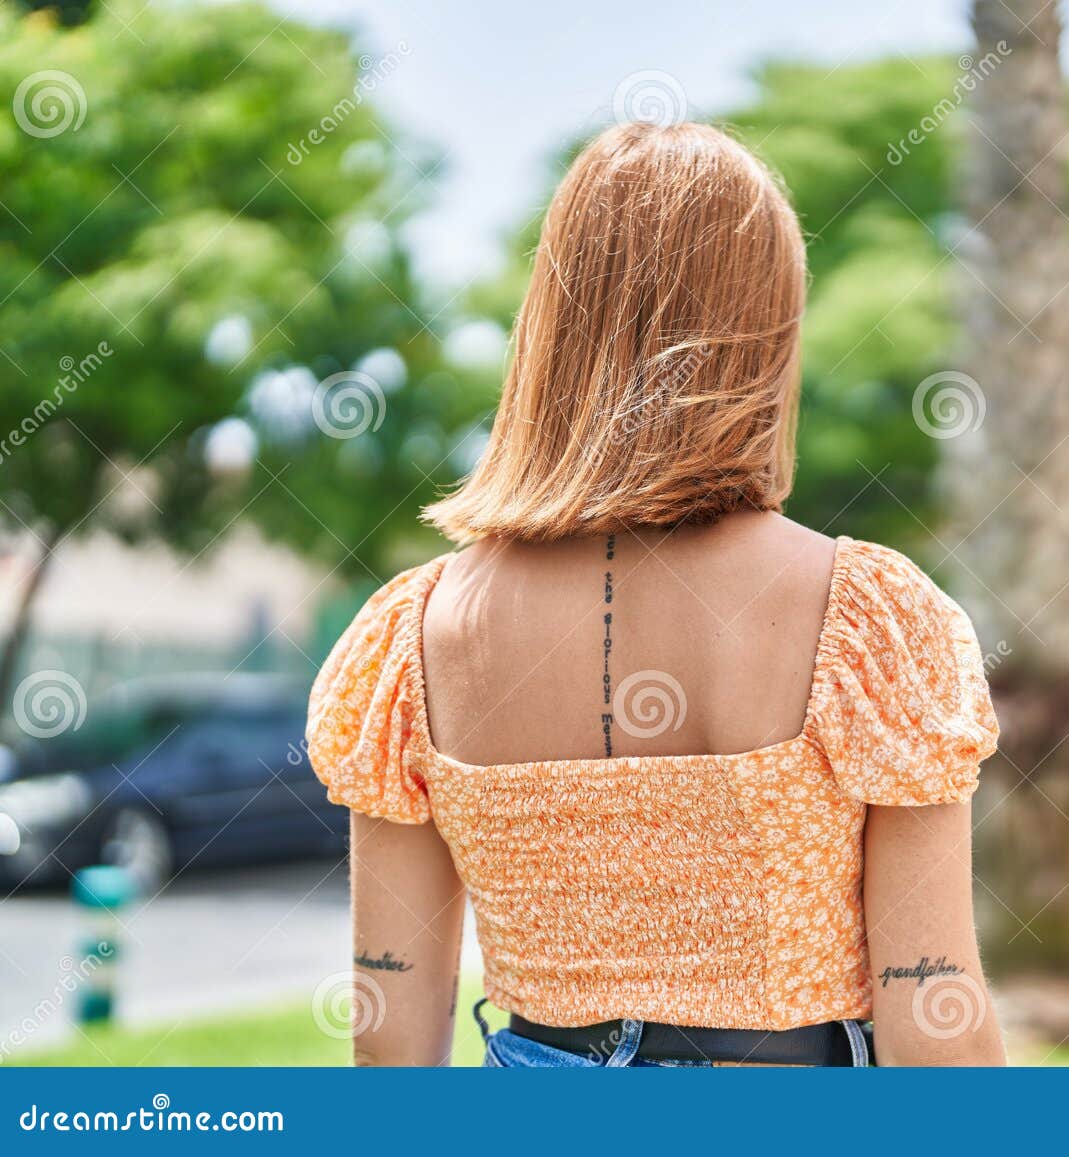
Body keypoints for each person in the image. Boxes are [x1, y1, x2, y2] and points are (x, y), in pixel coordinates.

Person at [307, 121, 1006, 1068]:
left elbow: (390, 1013)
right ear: (764, 333)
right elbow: (933, 999)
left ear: (552, 323)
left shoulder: (413, 631)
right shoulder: (866, 614)